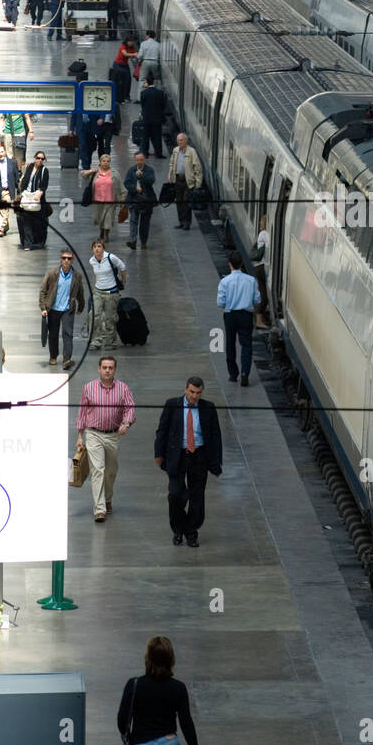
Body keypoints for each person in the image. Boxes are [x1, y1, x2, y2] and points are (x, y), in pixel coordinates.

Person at [154, 377, 223, 547]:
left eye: (198, 393)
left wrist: (216, 460)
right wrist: (158, 454)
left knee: (197, 497)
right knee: (176, 494)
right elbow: (162, 430)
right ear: (186, 389)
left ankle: (191, 532)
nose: (194, 396)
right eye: (192, 392)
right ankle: (178, 529)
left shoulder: (208, 407)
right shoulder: (172, 404)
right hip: (178, 455)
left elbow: (216, 435)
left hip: (199, 456)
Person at [76, 354, 135, 520]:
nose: (107, 371)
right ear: (99, 369)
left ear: (115, 370)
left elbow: (130, 408)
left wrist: (126, 423)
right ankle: (99, 509)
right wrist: (80, 435)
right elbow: (82, 412)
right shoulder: (89, 388)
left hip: (113, 435)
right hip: (93, 433)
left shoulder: (123, 388)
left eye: (111, 368)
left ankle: (108, 498)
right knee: (98, 471)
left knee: (110, 471)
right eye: (105, 368)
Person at [217, 251, 260, 386]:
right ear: (241, 264)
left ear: (230, 264)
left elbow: (220, 303)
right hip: (246, 315)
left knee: (230, 344)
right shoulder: (251, 280)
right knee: (246, 345)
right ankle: (245, 373)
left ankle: (233, 374)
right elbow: (257, 299)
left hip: (230, 315)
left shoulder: (224, 281)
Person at [39, 249, 85, 369]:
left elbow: (80, 293)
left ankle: (67, 359)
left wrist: (81, 306)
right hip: (53, 309)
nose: (66, 261)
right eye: (64, 258)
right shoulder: (52, 273)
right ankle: (53, 356)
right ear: (60, 259)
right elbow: (43, 290)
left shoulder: (77, 276)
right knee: (53, 334)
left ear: (72, 260)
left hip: (68, 309)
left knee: (68, 334)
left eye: (69, 258)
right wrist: (43, 307)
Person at [87, 238, 126, 350]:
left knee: (110, 318)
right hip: (98, 292)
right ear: (92, 249)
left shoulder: (110, 258)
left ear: (103, 248)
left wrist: (123, 282)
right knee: (94, 315)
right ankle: (96, 341)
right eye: (95, 247)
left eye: (99, 246)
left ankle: (111, 342)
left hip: (111, 293)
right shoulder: (92, 261)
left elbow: (122, 267)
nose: (97, 249)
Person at [81, 153, 126, 242]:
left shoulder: (115, 173)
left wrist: (123, 197)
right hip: (97, 200)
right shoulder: (96, 173)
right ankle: (101, 232)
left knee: (108, 219)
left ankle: (106, 235)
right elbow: (83, 175)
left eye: (108, 161)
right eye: (104, 161)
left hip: (110, 201)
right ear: (100, 162)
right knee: (99, 218)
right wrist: (91, 171)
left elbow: (121, 186)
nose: (106, 163)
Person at [167, 133, 203, 231]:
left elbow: (198, 168)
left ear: (186, 141)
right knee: (179, 201)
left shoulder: (192, 152)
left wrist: (198, 184)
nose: (179, 142)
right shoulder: (175, 150)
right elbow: (172, 163)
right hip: (178, 179)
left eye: (181, 140)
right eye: (178, 140)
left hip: (188, 181)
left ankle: (187, 223)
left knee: (186, 202)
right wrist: (170, 174)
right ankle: (181, 222)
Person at [16, 150, 49, 250]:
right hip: (27, 196)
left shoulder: (44, 170)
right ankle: (27, 244)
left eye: (42, 159)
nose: (40, 160)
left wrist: (40, 193)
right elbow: (25, 180)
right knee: (26, 222)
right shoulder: (29, 167)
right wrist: (21, 193)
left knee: (38, 223)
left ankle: (39, 242)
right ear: (35, 158)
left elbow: (44, 184)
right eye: (38, 158)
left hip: (38, 198)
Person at [124, 150, 157, 250]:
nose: (139, 162)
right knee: (133, 221)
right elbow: (126, 183)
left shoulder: (149, 170)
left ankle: (143, 242)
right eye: (137, 160)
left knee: (144, 223)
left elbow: (151, 180)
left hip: (146, 200)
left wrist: (141, 177)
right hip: (134, 199)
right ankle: (133, 241)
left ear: (144, 160)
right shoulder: (131, 170)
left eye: (141, 160)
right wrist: (134, 188)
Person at [139, 73, 166, 157]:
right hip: (157, 119)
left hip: (146, 119)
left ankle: (145, 153)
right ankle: (158, 153)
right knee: (157, 137)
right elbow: (163, 105)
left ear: (147, 82)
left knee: (145, 137)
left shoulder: (143, 93)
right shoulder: (160, 93)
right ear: (154, 82)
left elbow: (142, 105)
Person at [252, 214, 270, 325]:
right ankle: (258, 321)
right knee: (263, 295)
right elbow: (270, 243)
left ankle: (259, 319)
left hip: (259, 267)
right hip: (261, 267)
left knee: (263, 294)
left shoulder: (262, 233)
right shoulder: (264, 234)